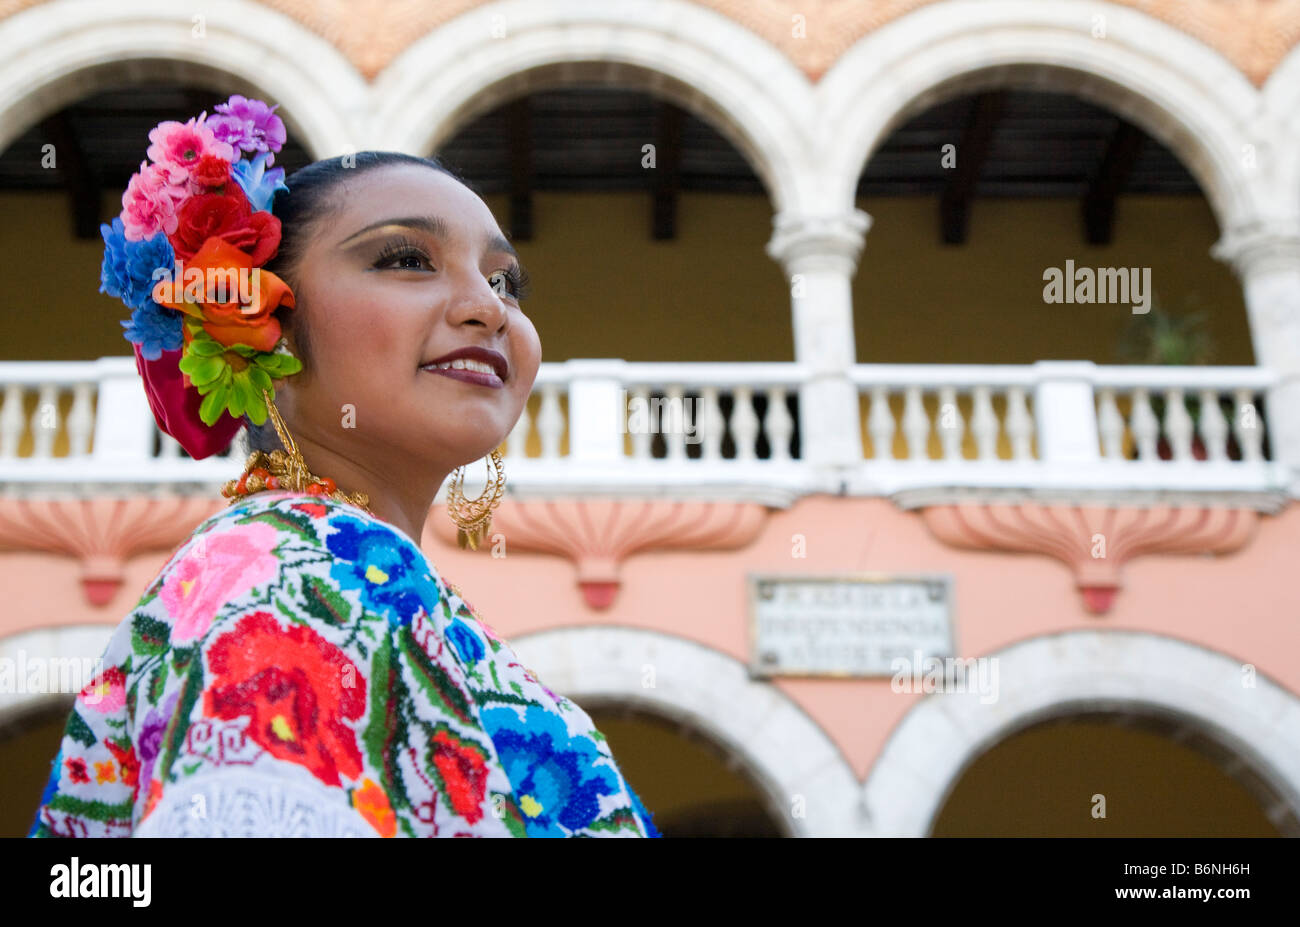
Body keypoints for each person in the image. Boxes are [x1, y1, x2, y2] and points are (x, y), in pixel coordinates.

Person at [28, 95, 660, 837]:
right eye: (405, 259)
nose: (490, 308)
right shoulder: (287, 573)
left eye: (505, 281)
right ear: (262, 325)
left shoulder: (327, 566)